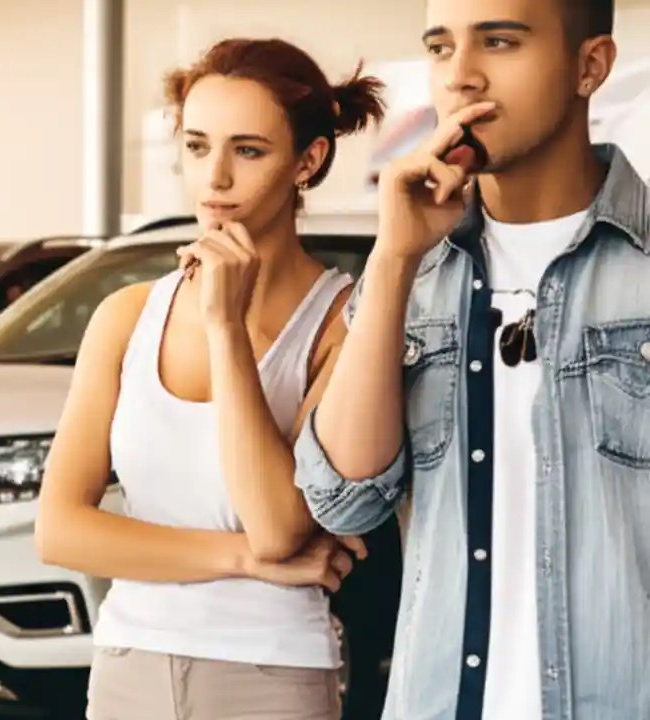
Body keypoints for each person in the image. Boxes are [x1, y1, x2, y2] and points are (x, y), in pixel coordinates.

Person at [294, 0, 650, 718]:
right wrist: (393, 260)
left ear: (591, 66)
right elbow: (343, 498)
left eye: (500, 41)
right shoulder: (412, 273)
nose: (460, 76)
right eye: (439, 46)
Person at [35, 37, 386, 719]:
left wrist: (226, 328)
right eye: (197, 147)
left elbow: (280, 525)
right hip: (127, 662)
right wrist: (245, 561)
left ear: (307, 162)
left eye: (248, 150)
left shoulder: (346, 323)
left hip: (273, 669)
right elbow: (60, 530)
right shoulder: (126, 316)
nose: (214, 179)